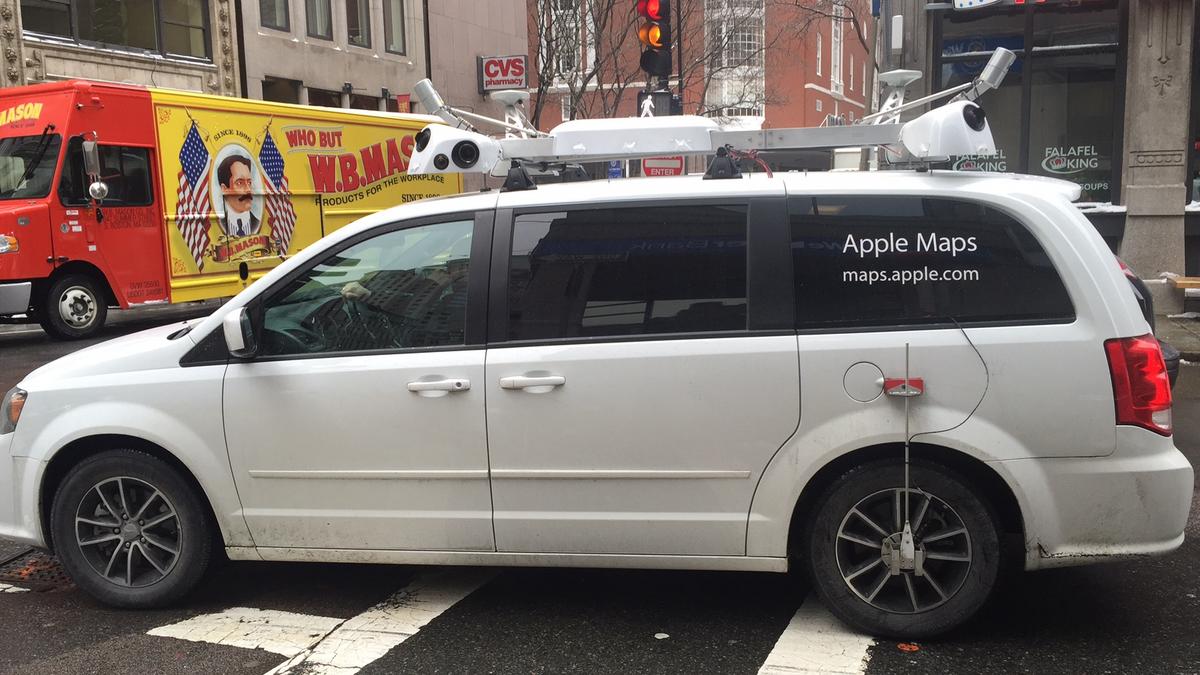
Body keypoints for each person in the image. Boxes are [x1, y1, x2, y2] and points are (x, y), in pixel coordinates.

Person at [217, 154, 260, 237]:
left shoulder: (258, 223)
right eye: (240, 183)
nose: (248, 189)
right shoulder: (218, 225)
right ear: (224, 189)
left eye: (249, 182)